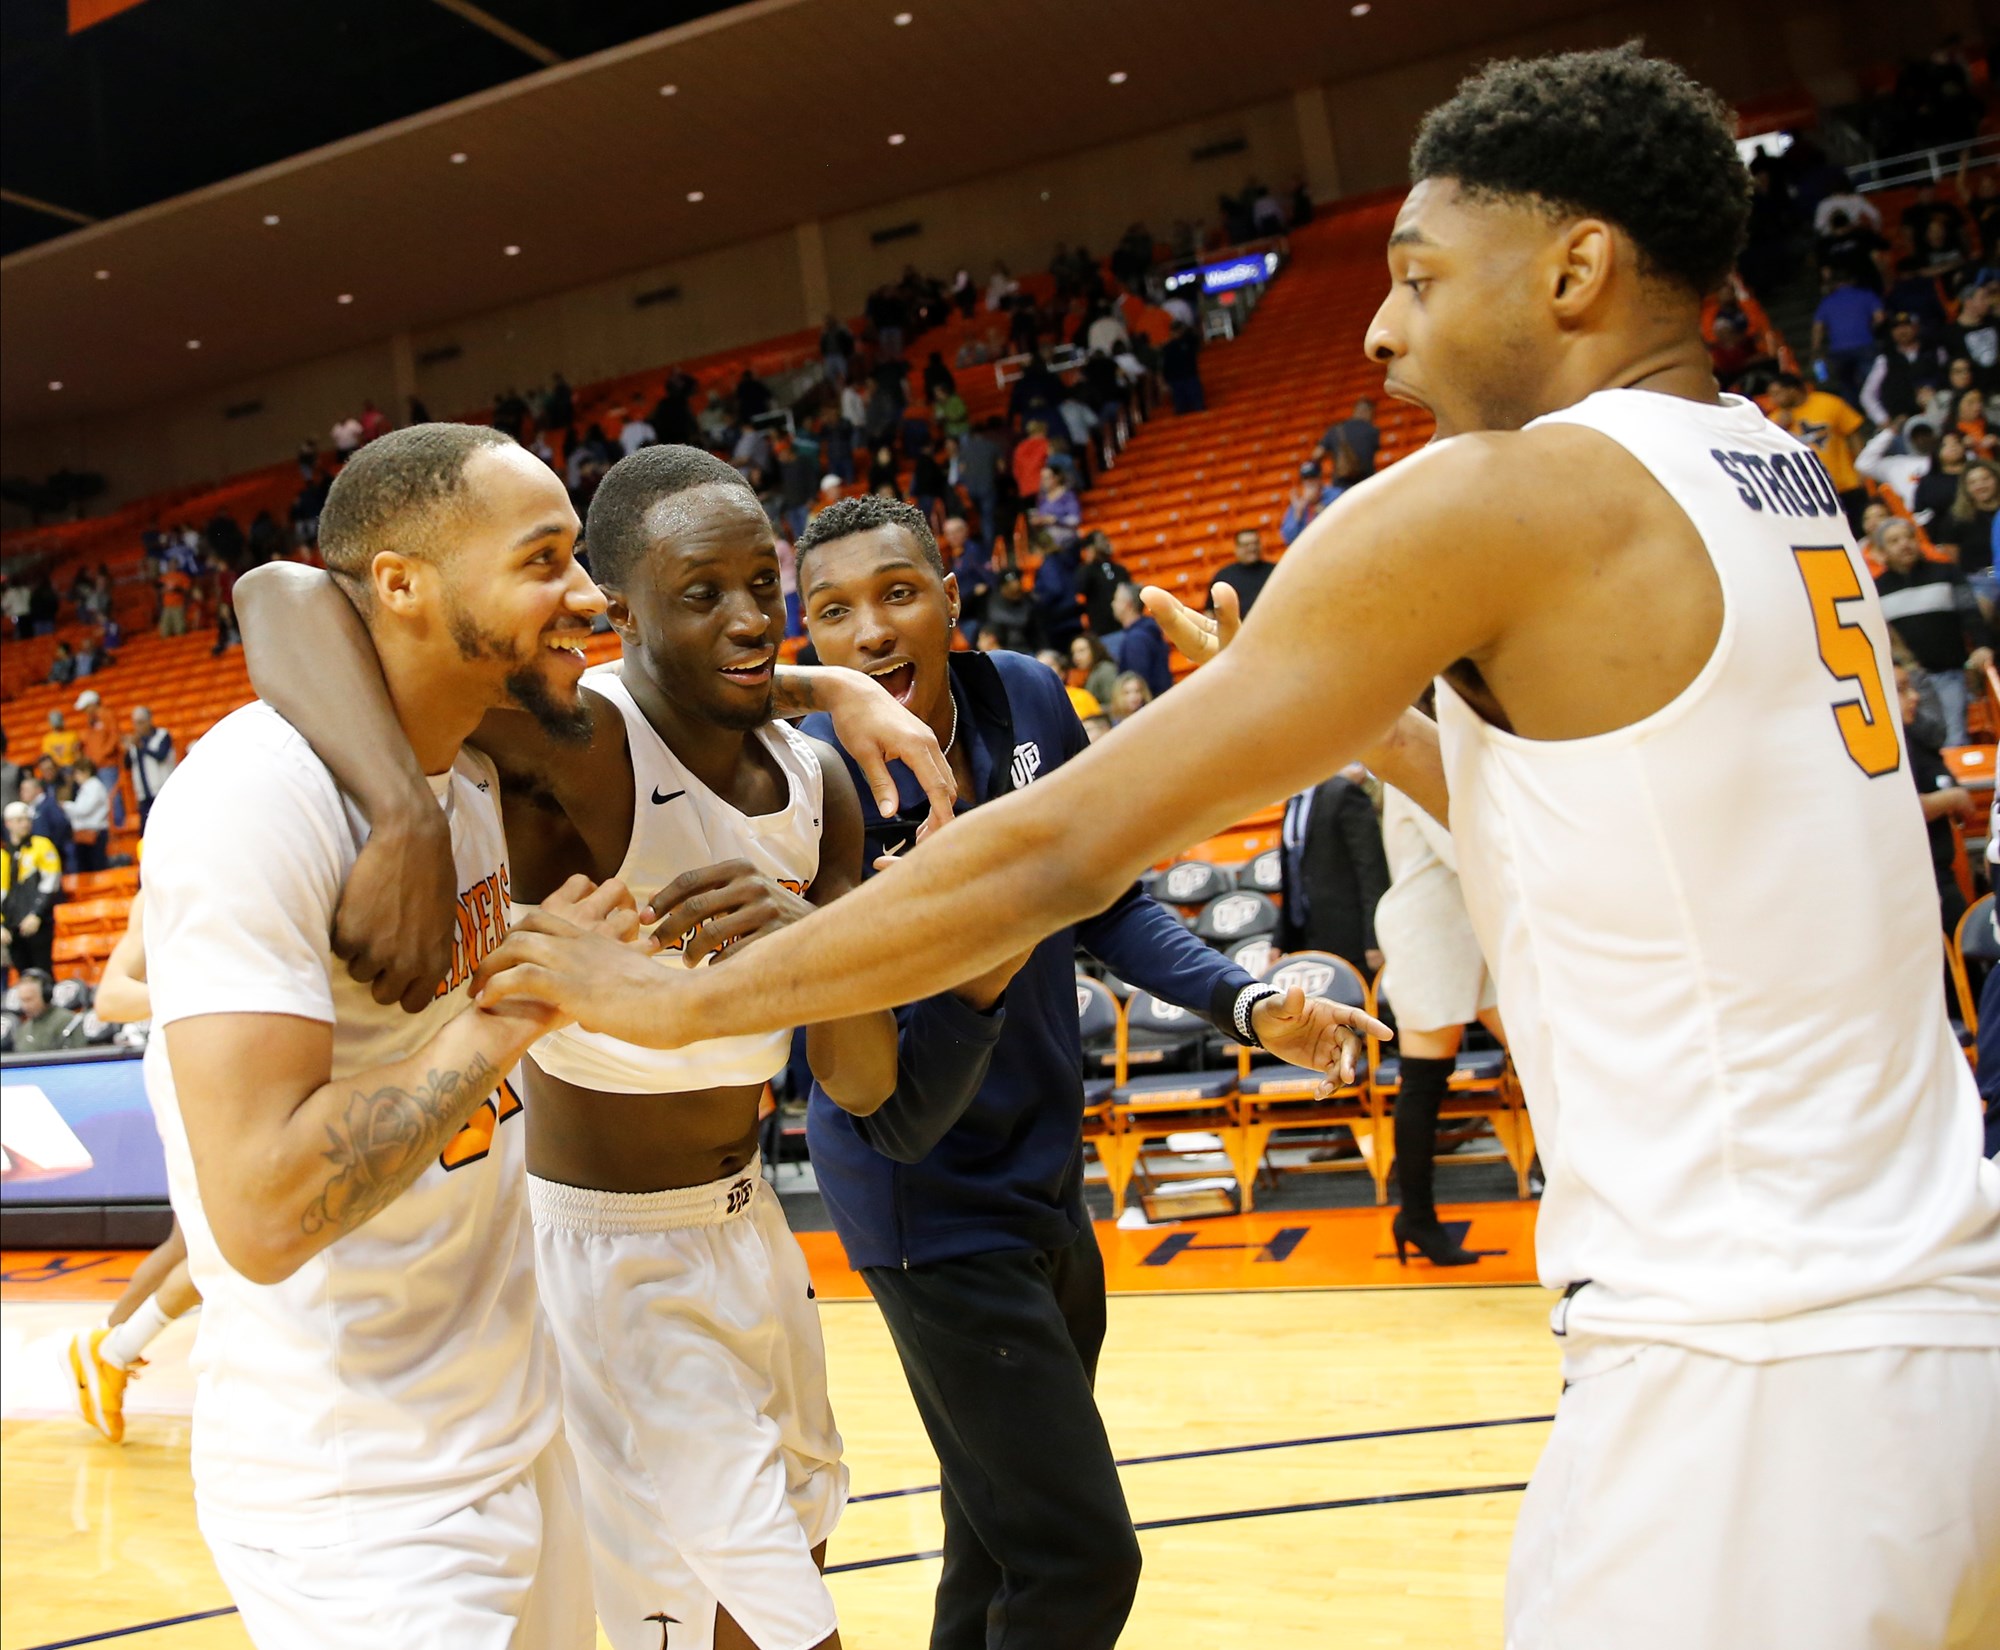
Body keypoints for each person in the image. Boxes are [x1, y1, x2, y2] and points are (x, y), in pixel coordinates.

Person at [470, 49, 2000, 1650]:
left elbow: (1052, 853)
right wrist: (1351, 722)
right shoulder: (1775, 470)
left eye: (1417, 276)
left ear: (1577, 268)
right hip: (1931, 1307)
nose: (1380, 327)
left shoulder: (1508, 494)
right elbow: (1587, 807)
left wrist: (679, 1001)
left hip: (1760, 1370)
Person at [237, 445, 951, 1650]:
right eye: (698, 593)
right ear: (618, 617)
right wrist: (404, 808)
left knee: (788, 1561)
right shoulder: (577, 742)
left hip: (755, 1236)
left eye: (757, 589)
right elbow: (283, 593)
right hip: (607, 1261)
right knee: (786, 1626)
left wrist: (826, 942)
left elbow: (861, 1081)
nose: (743, 621)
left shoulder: (819, 779)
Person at [769, 495, 1374, 1650]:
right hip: (923, 1203)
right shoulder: (808, 778)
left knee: (994, 1538)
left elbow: (1107, 895)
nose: (870, 631)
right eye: (832, 610)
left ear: (951, 595)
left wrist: (1246, 1004)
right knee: (1078, 1558)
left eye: (898, 593)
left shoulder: (1031, 697)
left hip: (1045, 1167)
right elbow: (858, 1072)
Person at [141, 423, 624, 1648]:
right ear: (405, 588)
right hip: (359, 1502)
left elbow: (290, 591)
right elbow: (257, 1213)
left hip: (517, 1431)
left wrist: (829, 687)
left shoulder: (471, 757)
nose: (585, 592)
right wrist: (516, 1006)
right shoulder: (256, 797)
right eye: (545, 560)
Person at [65, 894, 206, 1444]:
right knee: (225, 1238)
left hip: (230, 1050)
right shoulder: (167, 885)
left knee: (187, 1242)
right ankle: (111, 1353)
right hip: (190, 1058)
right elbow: (111, 998)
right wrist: (215, 993)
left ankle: (105, 1352)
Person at [1374, 782, 1507, 1266]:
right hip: (1431, 932)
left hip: (1475, 926)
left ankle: (1578, 1197)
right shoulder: (1417, 755)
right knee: (1425, 1078)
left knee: (1548, 1064)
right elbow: (1467, 847)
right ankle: (1416, 1217)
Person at [1874, 516, 1992, 746]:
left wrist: (1981, 645)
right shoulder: (1875, 588)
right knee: (1922, 744)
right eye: (1894, 541)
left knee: (1955, 739)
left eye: (1908, 537)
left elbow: (1971, 614)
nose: (1904, 544)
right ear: (1881, 551)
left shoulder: (1946, 572)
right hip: (1907, 682)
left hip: (1950, 673)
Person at [1277, 765, 1389, 968]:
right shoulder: (1292, 803)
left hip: (1349, 940)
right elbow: (1292, 880)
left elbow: (1371, 870)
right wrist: (1278, 941)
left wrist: (1375, 939)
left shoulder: (1343, 792)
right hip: (1304, 939)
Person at [1898, 663, 1973, 936]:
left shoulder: (1915, 736)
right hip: (1916, 882)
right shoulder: (1887, 747)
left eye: (1910, 687)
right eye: (1900, 690)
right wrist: (1953, 797)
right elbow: (1902, 806)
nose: (1914, 696)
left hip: (1940, 875)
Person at [1766, 371, 1866, 530]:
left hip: (1846, 483)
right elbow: (1768, 454)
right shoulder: (1773, 421)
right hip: (1809, 491)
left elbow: (1852, 433)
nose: (1773, 399)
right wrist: (1780, 429)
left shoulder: (1828, 402)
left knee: (1860, 528)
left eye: (1777, 393)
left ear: (1792, 390)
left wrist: (1861, 466)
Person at [1, 803, 61, 979]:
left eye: (27, 819)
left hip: (38, 923)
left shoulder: (42, 845)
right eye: (19, 820)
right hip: (12, 927)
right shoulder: (4, 855)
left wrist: (36, 914)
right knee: (22, 976)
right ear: (8, 824)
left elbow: (51, 882)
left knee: (43, 973)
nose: (25, 824)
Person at [1811, 274, 1884, 406]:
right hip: (1865, 344)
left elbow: (1818, 327)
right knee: (1872, 381)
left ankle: (1852, 411)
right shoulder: (1866, 295)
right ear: (1852, 281)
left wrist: (1816, 349)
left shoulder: (1827, 301)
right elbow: (1879, 317)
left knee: (1846, 383)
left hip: (1838, 349)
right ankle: (1878, 408)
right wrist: (1868, 328)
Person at [1104, 582, 1172, 697]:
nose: (1112, 604)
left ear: (1127, 605)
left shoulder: (1136, 639)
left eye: (1116, 600)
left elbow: (1139, 680)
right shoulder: (1144, 632)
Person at [10, 966, 84, 1053]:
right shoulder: (23, 1030)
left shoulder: (68, 1022)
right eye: (22, 1000)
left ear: (46, 996)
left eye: (29, 999)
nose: (25, 1006)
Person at [123, 707, 176, 825]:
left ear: (149, 720)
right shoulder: (135, 743)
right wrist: (126, 750)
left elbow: (161, 755)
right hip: (143, 795)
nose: (138, 727)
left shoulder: (162, 735)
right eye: (136, 723)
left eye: (141, 722)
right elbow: (127, 765)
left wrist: (142, 747)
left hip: (162, 791)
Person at [1209, 526, 1276, 617]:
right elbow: (1210, 611)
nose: (1252, 548)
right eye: (1246, 545)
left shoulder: (1275, 571)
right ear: (1237, 548)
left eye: (1255, 543)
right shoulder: (1224, 576)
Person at [61, 762, 111, 874]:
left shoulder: (94, 786)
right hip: (84, 834)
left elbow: (83, 809)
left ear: (87, 772)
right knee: (85, 868)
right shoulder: (85, 788)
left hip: (94, 833)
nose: (75, 777)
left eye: (77, 773)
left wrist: (65, 805)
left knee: (96, 868)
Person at [1312, 397, 1381, 477]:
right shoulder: (1372, 430)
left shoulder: (1336, 429)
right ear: (1368, 412)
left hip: (1341, 484)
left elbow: (1317, 454)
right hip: (1366, 483)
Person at [1280, 462, 1343, 545]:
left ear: (1320, 478)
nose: (1309, 482)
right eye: (1306, 479)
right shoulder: (1298, 505)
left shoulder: (1335, 495)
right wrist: (1298, 514)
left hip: (1335, 543)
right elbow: (1288, 539)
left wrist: (1319, 506)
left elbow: (1344, 522)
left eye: (1312, 477)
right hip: (1311, 550)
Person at [1068, 633, 1118, 709]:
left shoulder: (1105, 670)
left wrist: (1091, 709)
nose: (1076, 657)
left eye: (1081, 651)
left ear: (1094, 649)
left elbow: (1115, 703)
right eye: (1073, 653)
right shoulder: (1085, 674)